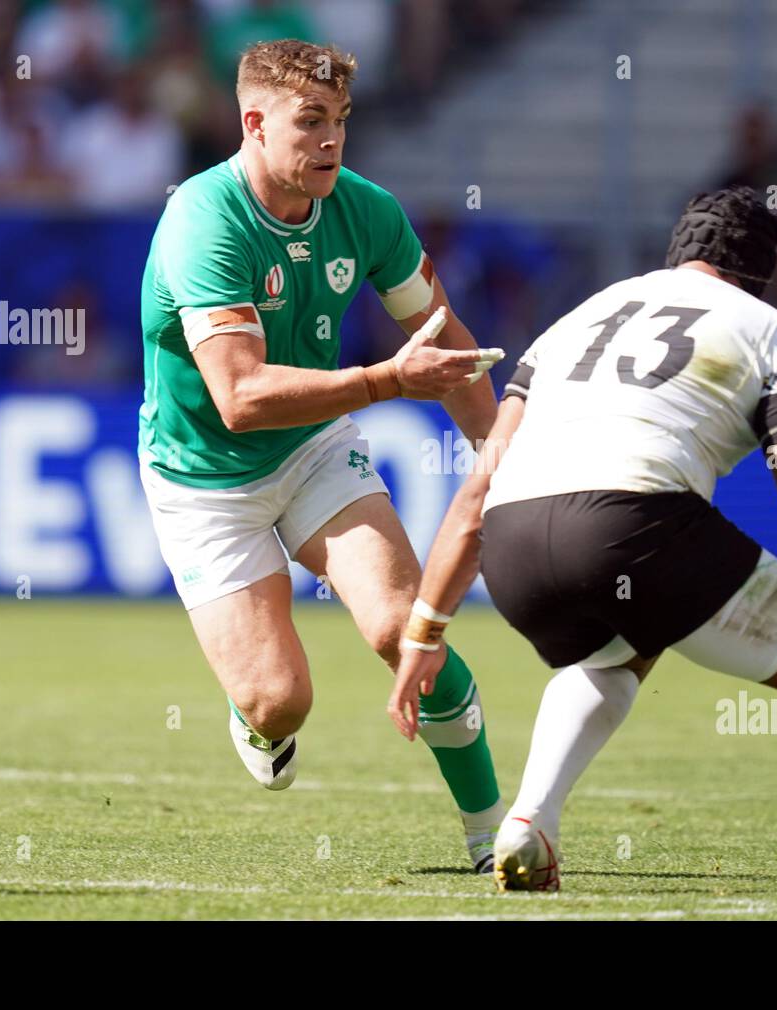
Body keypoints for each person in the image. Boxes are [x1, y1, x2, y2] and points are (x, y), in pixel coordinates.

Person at [387, 186, 777, 902]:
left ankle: (532, 820)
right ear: (761, 273)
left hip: (512, 544)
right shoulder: (765, 325)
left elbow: (476, 493)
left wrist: (424, 632)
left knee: (618, 650)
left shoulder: (573, 320)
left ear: (677, 253)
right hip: (630, 521)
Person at [139, 39, 506, 873]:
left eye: (341, 121)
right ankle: (254, 717)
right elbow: (238, 397)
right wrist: (383, 381)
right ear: (254, 123)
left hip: (312, 449)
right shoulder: (204, 219)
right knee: (281, 701)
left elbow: (440, 335)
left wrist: (497, 454)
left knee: (406, 626)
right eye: (311, 122)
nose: (332, 140)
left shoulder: (367, 210)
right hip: (204, 478)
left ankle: (496, 834)